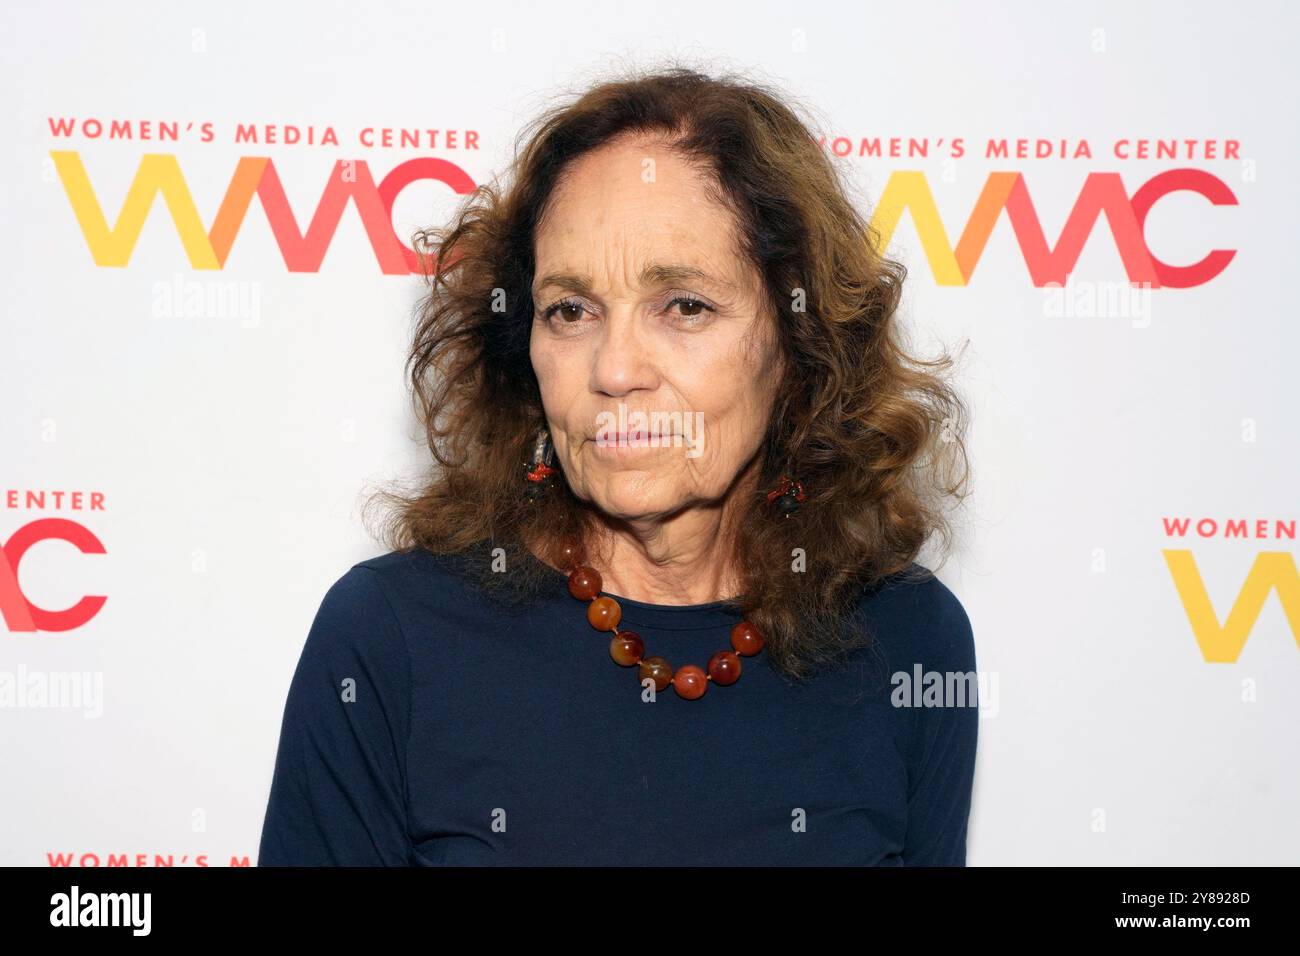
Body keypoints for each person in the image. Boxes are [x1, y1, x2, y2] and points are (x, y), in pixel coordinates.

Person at [257, 65, 978, 866]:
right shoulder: (390, 639)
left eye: (685, 307)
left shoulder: (908, 640)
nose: (615, 367)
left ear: (797, 345)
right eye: (570, 311)